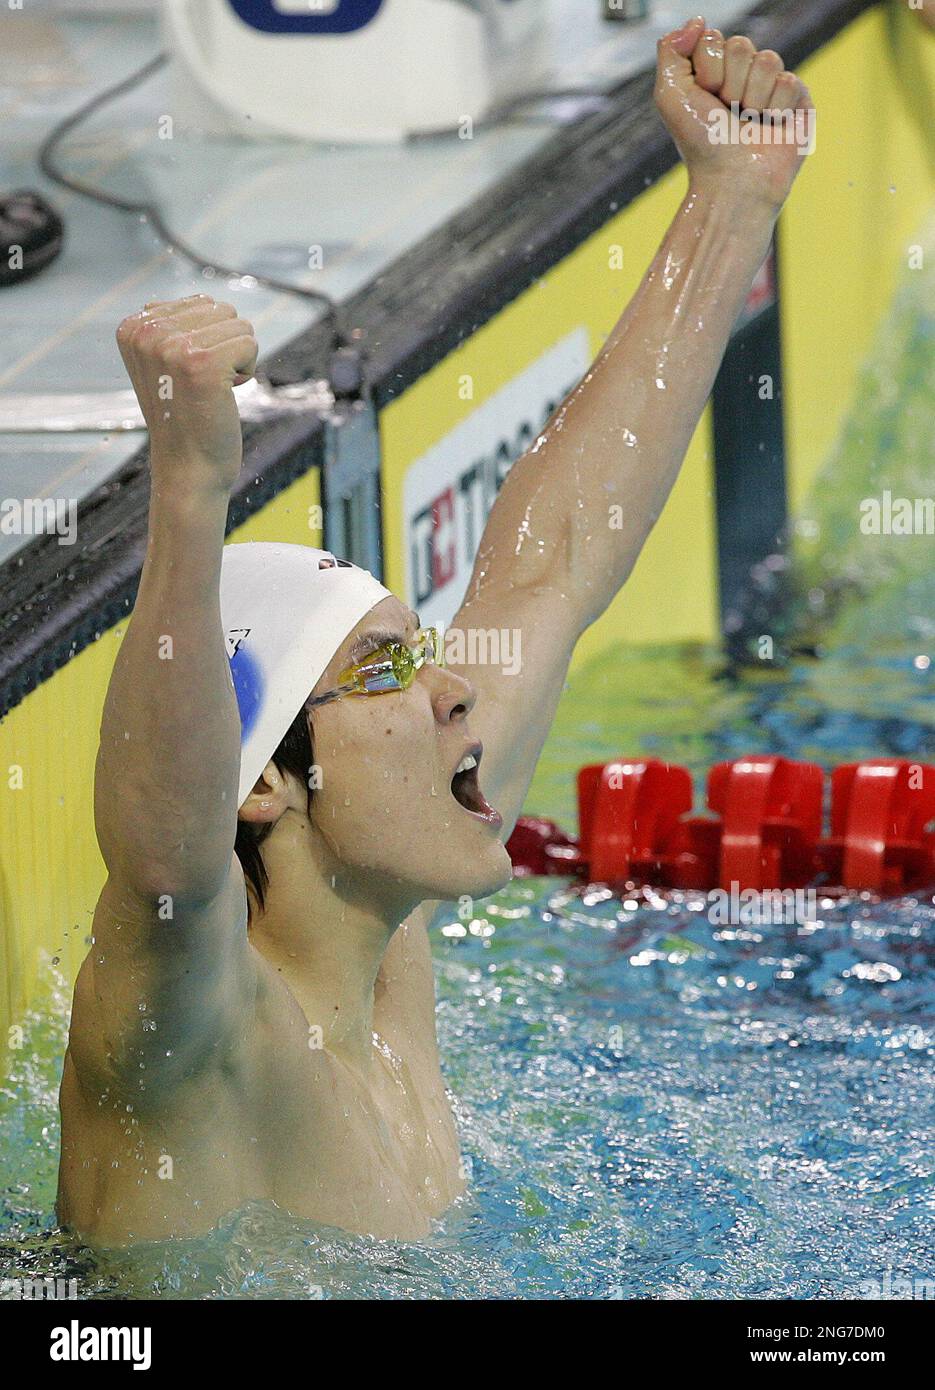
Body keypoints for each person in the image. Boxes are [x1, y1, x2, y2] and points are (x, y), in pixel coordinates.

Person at [58, 17, 815, 1244]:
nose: (453, 694)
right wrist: (189, 487)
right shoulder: (200, 1030)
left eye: (420, 661)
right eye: (381, 675)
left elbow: (551, 570)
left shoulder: (384, 944)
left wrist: (730, 196)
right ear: (262, 784)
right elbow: (158, 860)